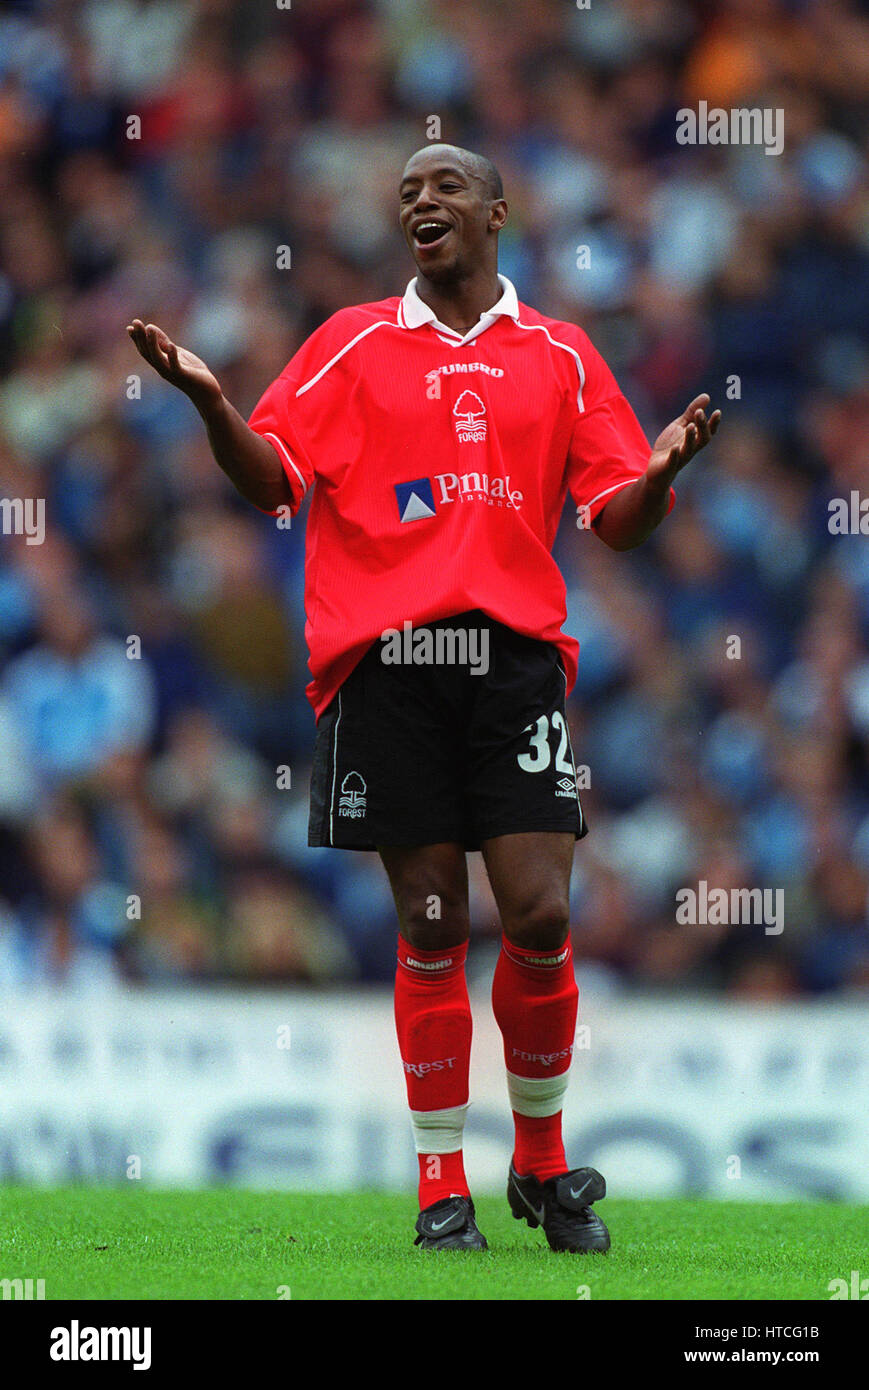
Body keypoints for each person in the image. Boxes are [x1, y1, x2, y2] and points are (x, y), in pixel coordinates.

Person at [127, 143, 720, 1253]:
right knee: (432, 920)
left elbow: (616, 517)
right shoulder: (349, 342)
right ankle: (439, 1181)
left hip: (512, 662)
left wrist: (663, 474)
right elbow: (272, 477)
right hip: (387, 664)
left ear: (497, 210)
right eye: (405, 192)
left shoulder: (561, 354)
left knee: (539, 913)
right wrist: (211, 405)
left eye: (444, 186)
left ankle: (540, 1166)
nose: (420, 202)